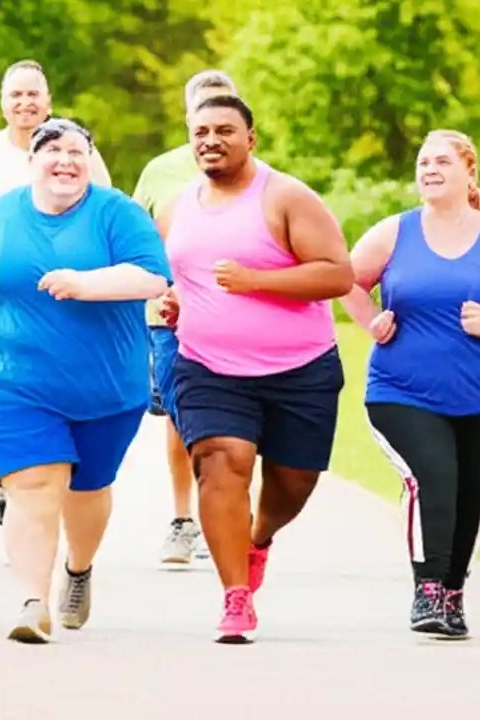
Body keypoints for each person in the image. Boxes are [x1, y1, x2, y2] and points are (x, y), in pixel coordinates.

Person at [0, 118, 171, 643]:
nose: (66, 161)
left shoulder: (117, 213)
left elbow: (153, 277)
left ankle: (78, 568)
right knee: (32, 487)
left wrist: (85, 283)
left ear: (91, 161)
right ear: (32, 161)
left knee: (87, 488)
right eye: (53, 150)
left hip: (105, 385)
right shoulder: (0, 215)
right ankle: (32, 602)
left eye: (78, 151)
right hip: (13, 381)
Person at [161, 95, 353, 643]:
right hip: (207, 365)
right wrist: (174, 301)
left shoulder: (287, 197)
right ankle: (235, 595)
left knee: (294, 482)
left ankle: (259, 538)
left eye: (225, 129)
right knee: (224, 461)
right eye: (201, 131)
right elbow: (180, 274)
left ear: (252, 137)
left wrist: (256, 280)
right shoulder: (178, 206)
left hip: (300, 368)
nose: (211, 140)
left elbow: (338, 275)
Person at [341, 130, 480, 638]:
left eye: (441, 161)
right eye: (422, 162)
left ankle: (453, 594)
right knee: (431, 478)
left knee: (467, 498)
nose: (429, 169)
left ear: (469, 171)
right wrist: (370, 320)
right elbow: (344, 278)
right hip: (400, 391)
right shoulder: (395, 232)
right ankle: (427, 590)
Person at [0, 59, 113, 526]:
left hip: (69, 293)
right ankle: (2, 472)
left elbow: (107, 212)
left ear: (48, 101)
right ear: (2, 103)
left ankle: (63, 474)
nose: (25, 102)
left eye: (33, 94)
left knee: (61, 384)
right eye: (15, 95)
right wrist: (5, 234)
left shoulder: (78, 150)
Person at [132, 69, 238, 566]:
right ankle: (183, 520)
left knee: (234, 417)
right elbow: (136, 239)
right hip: (169, 317)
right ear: (188, 116)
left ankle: (228, 510)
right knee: (179, 414)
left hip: (237, 315)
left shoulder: (254, 173)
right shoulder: (161, 171)